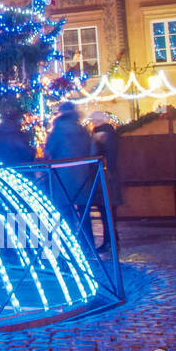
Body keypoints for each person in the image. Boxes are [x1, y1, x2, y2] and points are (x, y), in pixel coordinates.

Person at [43, 101, 94, 223]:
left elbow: (49, 151)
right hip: (82, 176)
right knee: (84, 213)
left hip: (62, 176)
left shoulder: (57, 131)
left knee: (66, 212)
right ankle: (87, 240)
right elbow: (92, 151)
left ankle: (72, 239)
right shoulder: (83, 130)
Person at [89, 111, 121, 251]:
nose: (93, 122)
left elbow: (105, 157)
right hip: (107, 178)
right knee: (107, 211)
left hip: (105, 179)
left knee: (106, 210)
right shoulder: (106, 134)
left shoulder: (102, 135)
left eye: (95, 120)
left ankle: (110, 241)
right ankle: (112, 240)